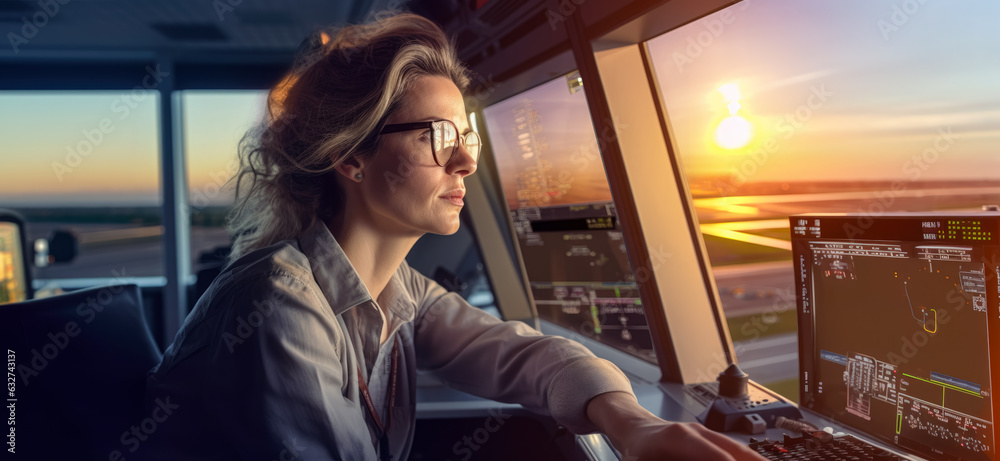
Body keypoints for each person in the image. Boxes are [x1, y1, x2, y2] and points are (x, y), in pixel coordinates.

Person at [139, 12, 767, 461]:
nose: (465, 161)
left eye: (467, 137)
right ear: (351, 157)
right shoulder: (280, 307)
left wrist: (633, 424)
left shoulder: (397, 289)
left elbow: (525, 355)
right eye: (438, 137)